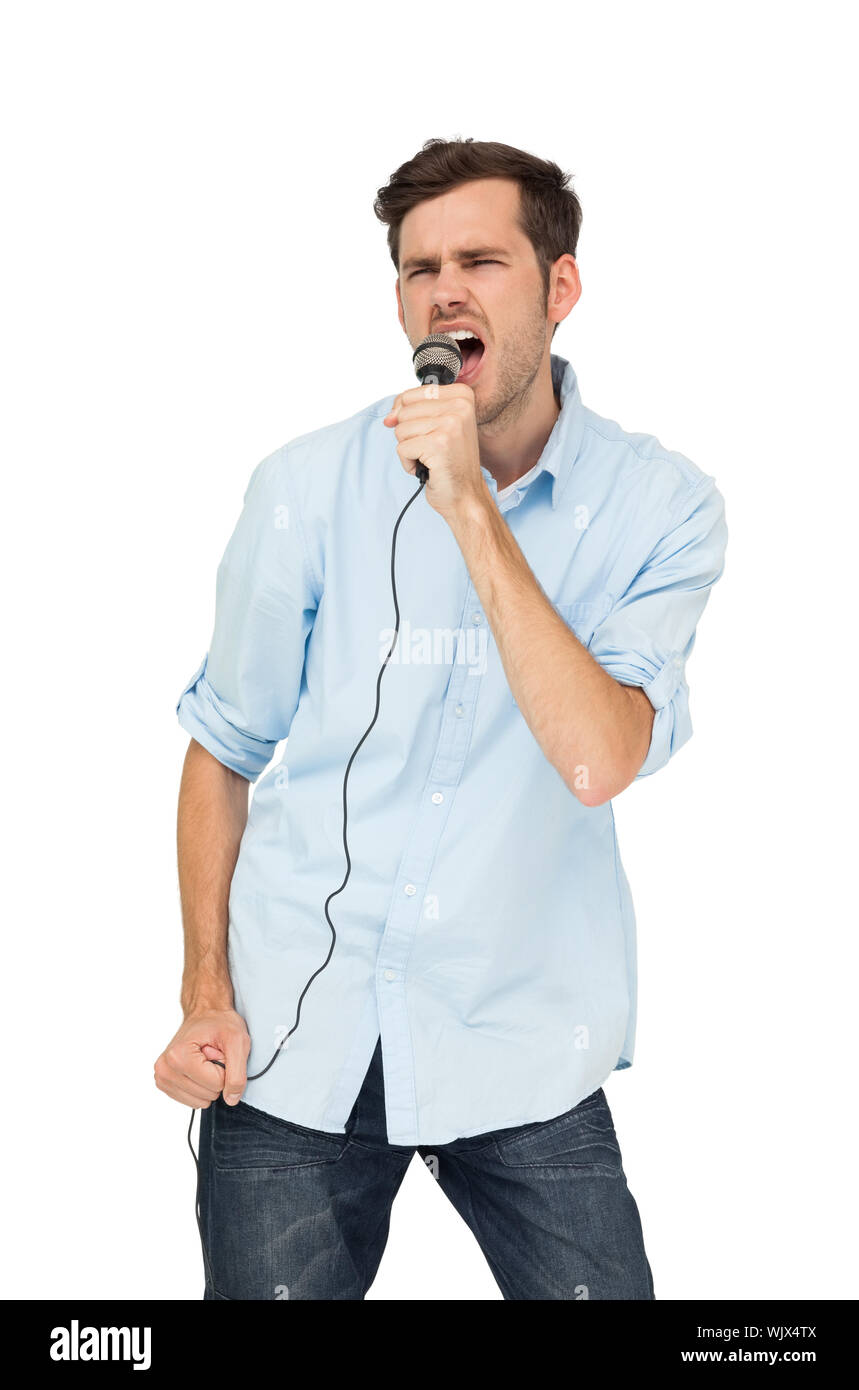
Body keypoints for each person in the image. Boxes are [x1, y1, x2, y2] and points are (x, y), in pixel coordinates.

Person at [155, 137, 727, 1301]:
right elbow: (224, 747)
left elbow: (596, 758)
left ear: (559, 287)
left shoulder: (659, 507)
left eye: (481, 261)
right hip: (296, 1041)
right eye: (420, 269)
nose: (444, 291)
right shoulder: (304, 487)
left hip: (520, 1043)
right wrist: (205, 988)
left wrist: (467, 501)